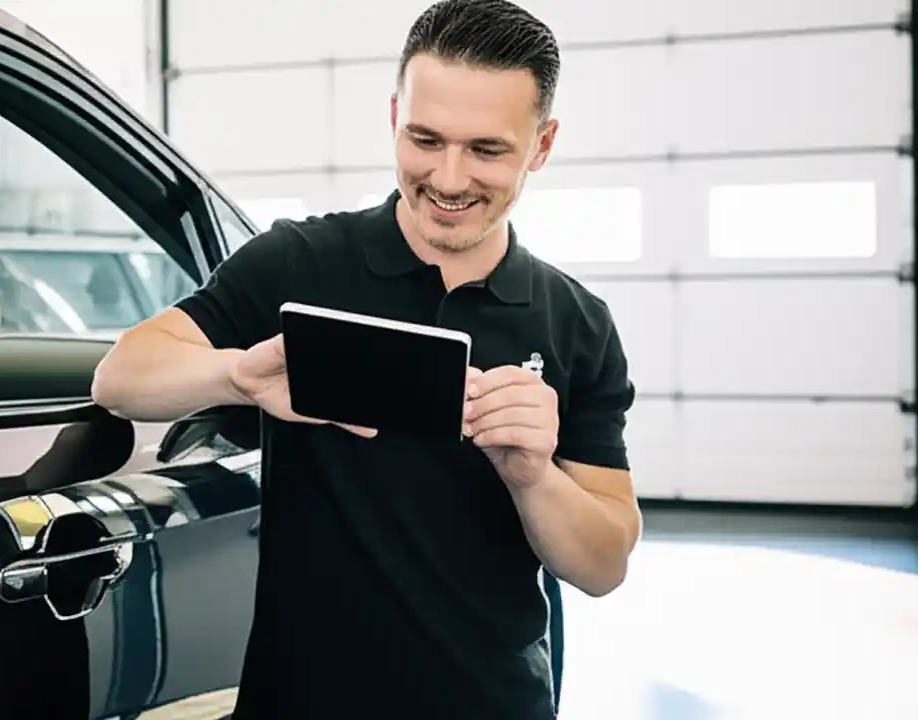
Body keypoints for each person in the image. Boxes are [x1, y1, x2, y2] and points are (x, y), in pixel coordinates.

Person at [91, 0, 642, 717]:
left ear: (541, 145)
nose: (447, 179)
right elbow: (121, 378)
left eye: (486, 150)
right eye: (425, 138)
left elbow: (603, 566)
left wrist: (533, 477)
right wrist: (235, 375)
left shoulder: (576, 323)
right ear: (393, 118)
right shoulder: (302, 264)